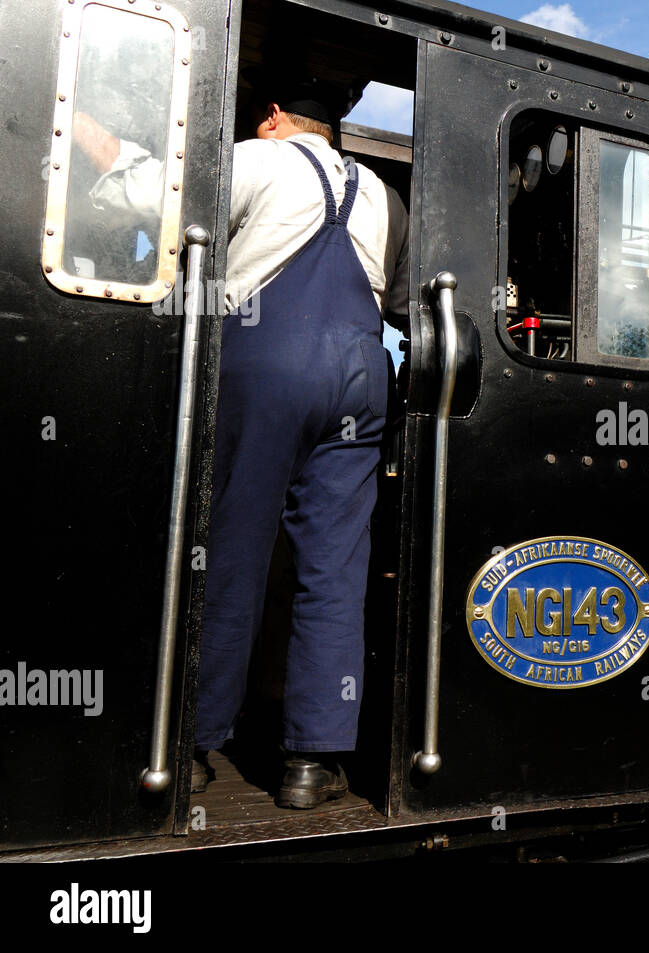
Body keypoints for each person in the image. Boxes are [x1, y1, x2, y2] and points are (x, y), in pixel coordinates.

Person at [189, 76, 409, 808]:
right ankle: (311, 763)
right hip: (357, 374)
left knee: (233, 550)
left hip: (266, 360)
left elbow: (170, 218)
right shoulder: (382, 194)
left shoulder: (257, 157)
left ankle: (194, 740)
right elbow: (404, 303)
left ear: (277, 118)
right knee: (337, 567)